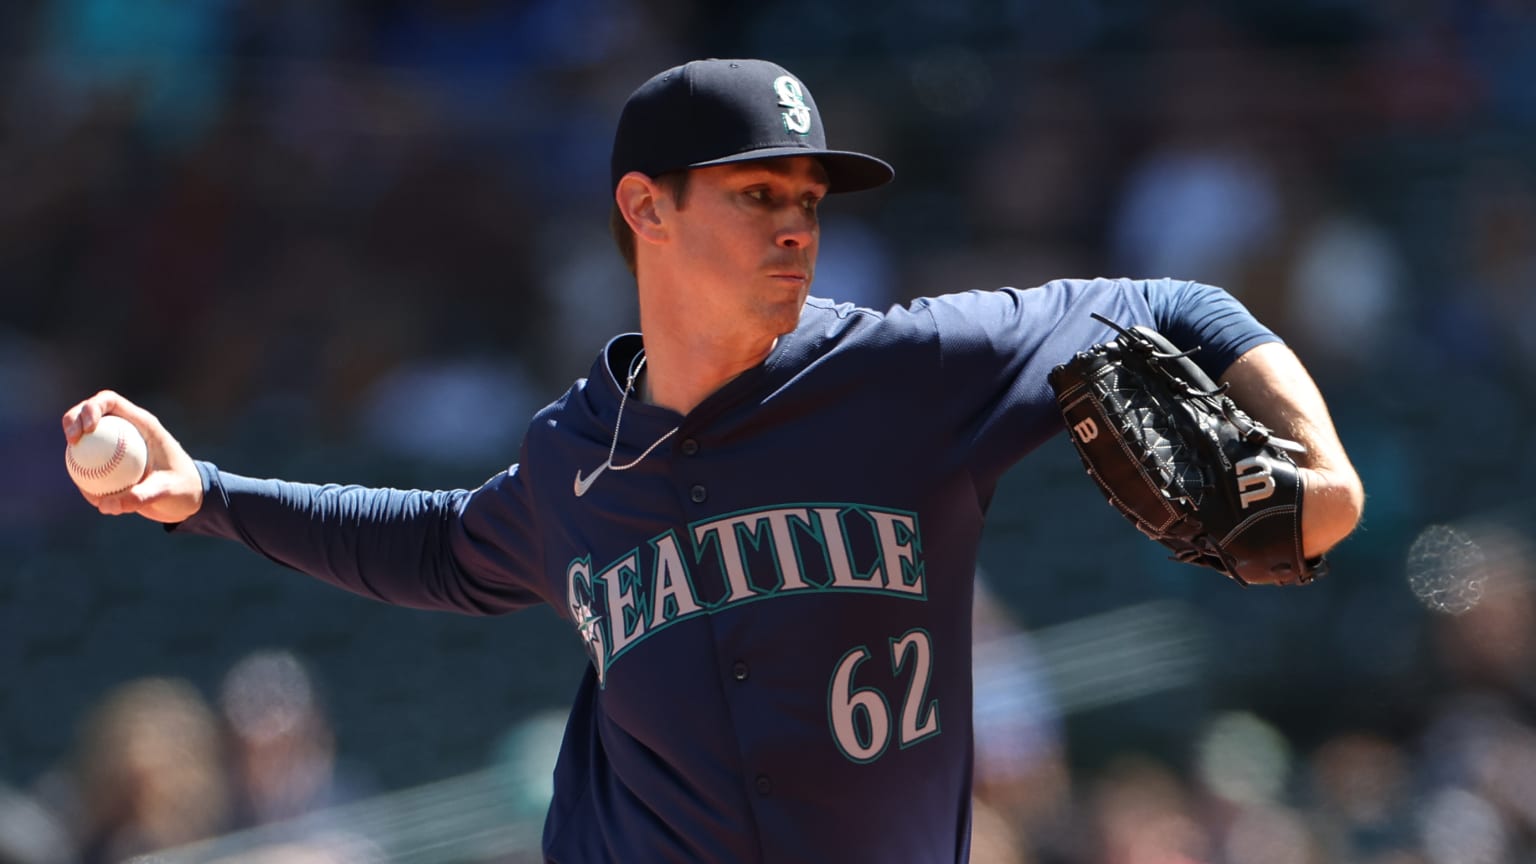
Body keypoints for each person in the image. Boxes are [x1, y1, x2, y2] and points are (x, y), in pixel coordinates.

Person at [61, 58, 1364, 863]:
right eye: (757, 195)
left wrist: (1319, 463)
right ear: (646, 209)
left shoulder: (913, 371)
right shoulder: (575, 455)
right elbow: (445, 548)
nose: (798, 225)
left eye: (809, 197)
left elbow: (1178, 305)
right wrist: (208, 496)